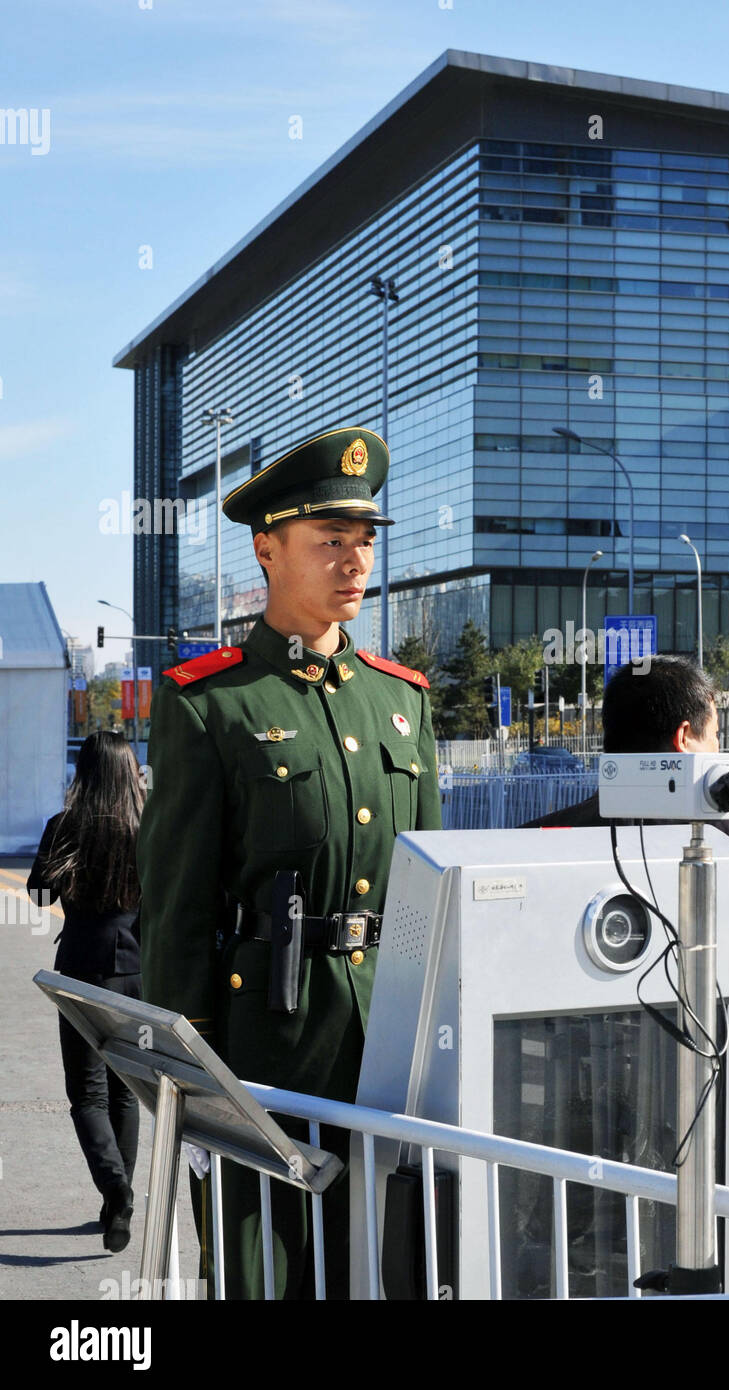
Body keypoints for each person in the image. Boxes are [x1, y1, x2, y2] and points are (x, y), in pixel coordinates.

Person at [137, 427, 441, 1299]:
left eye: (363, 541)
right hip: (261, 1047)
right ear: (267, 549)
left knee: (384, 1263)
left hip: (384, 1039)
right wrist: (185, 1083)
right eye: (329, 542)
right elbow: (179, 909)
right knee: (262, 1270)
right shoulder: (211, 701)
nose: (355, 561)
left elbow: (430, 891)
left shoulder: (399, 699)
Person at [525, 656, 729, 1279]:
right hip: (727, 1136)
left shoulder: (542, 839)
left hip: (583, 1129)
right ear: (685, 740)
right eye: (714, 736)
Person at [28, 731, 145, 1254]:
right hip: (139, 969)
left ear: (85, 773)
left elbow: (37, 893)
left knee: (87, 1091)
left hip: (79, 964)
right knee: (125, 1088)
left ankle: (115, 1191)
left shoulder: (65, 825)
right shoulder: (149, 828)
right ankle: (119, 1198)